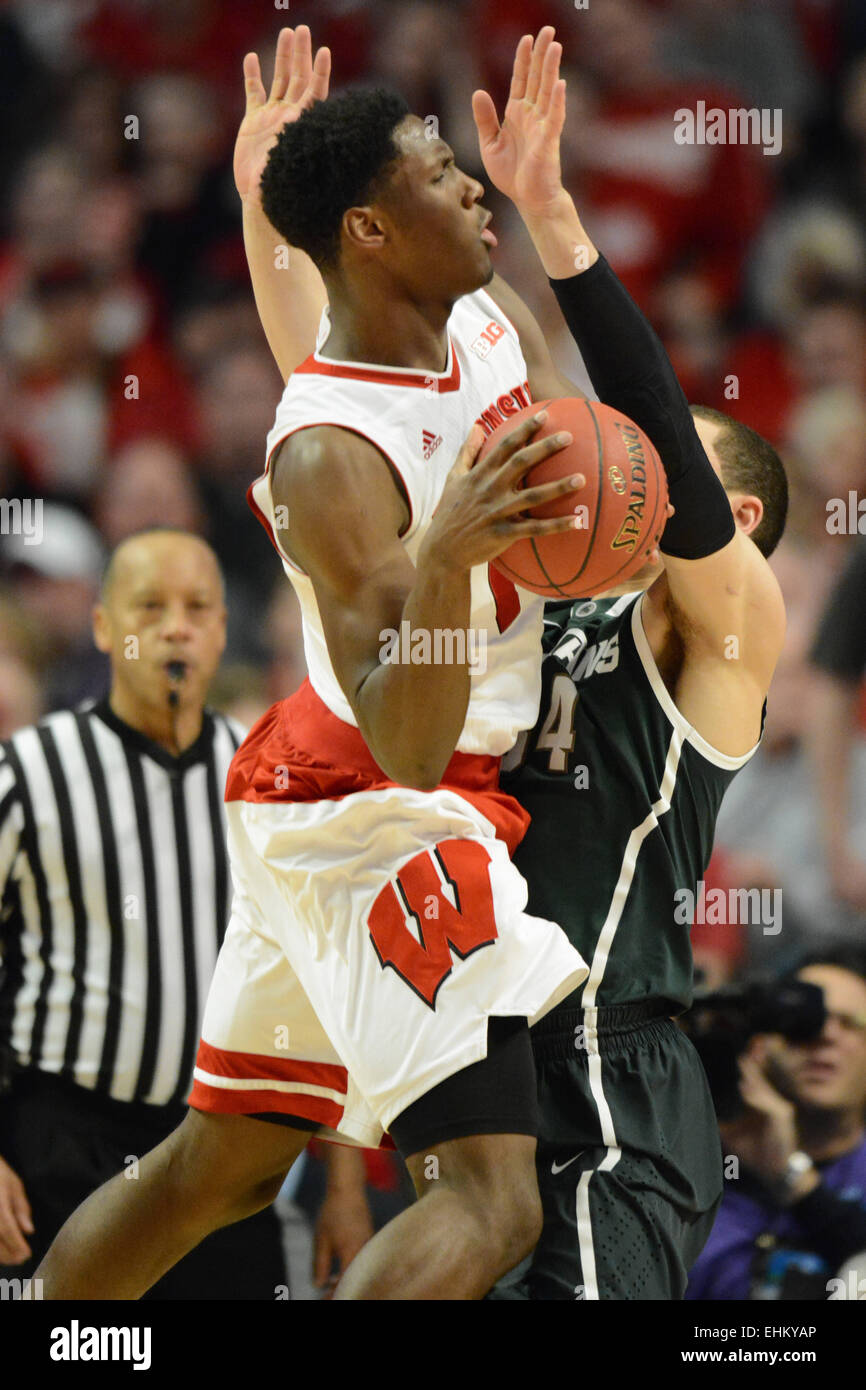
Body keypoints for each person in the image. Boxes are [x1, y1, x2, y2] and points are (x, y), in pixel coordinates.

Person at [228, 27, 791, 1301]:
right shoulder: (525, 595)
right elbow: (337, 386)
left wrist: (556, 223)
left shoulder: (714, 632)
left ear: (725, 514)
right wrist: (281, 214)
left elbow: (668, 477)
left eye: (654, 461)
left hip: (608, 1079)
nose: (608, 454)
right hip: (471, 1048)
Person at [34, 28, 589, 1302]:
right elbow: (404, 739)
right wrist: (448, 561)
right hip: (382, 811)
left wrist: (253, 196)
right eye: (437, 173)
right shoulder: (329, 456)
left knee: (215, 1172)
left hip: (317, 786)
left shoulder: (483, 318)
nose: (467, 184)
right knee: (490, 1201)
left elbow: (574, 469)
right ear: (373, 229)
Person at [0, 529, 286, 1298]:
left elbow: (313, 982)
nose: (175, 626)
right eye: (149, 606)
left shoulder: (263, 779)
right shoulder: (30, 771)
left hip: (222, 1148)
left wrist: (346, 1197)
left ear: (225, 628)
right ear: (102, 627)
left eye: (197, 608)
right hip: (63, 1145)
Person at [686, 948, 866, 1300]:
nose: (826, 1035)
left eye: (851, 1023)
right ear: (759, 1047)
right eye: (803, 1022)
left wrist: (790, 1175)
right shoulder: (701, 1168)